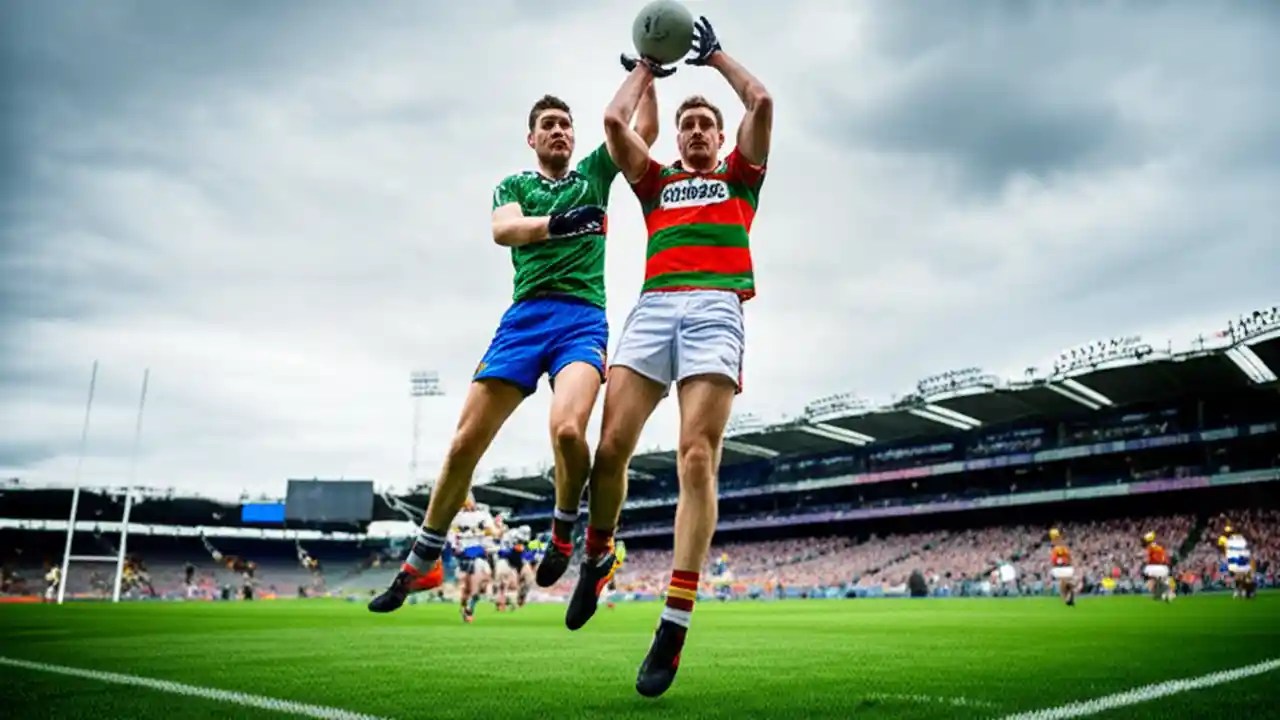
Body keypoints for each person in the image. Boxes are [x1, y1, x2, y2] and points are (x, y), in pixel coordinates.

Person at [367, 89, 659, 613]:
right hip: (523, 321)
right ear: (531, 138)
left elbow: (645, 133)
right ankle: (425, 559)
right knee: (464, 443)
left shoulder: (593, 173)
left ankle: (563, 530)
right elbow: (504, 230)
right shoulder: (514, 185)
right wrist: (559, 224)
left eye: (566, 124)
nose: (559, 131)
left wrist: (650, 72)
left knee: (567, 430)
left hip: (581, 321)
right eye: (549, 124)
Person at [566, 15, 773, 698]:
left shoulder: (741, 175)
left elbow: (762, 101)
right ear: (678, 138)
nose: (696, 132)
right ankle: (598, 556)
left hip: (715, 307)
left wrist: (716, 58)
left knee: (696, 457)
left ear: (720, 136)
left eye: (707, 125)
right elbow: (612, 122)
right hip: (654, 307)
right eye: (688, 126)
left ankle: (674, 623)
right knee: (609, 448)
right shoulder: (656, 184)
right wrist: (646, 70)